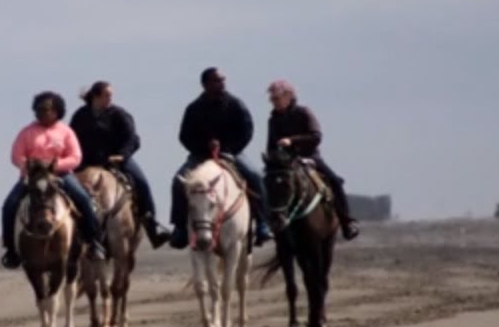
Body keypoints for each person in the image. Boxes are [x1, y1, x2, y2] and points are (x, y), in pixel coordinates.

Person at [0, 91, 108, 269]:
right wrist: (29, 165)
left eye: (45, 110)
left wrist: (55, 164)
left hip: (61, 175)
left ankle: (94, 242)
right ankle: (11, 249)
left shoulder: (66, 132)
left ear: (57, 111)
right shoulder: (27, 132)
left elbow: (76, 157)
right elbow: (16, 155)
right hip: (32, 177)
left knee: (84, 200)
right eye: (38, 110)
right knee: (9, 205)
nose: (41, 113)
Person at [168, 67, 272, 250]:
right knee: (178, 181)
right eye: (217, 81)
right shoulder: (193, 109)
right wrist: (204, 147)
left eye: (223, 80)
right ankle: (179, 228)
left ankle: (263, 223)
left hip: (232, 153)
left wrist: (228, 149)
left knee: (255, 176)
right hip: (200, 156)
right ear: (205, 84)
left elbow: (247, 130)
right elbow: (185, 136)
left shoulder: (235, 105)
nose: (222, 84)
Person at [69, 81, 172, 248]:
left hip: (116, 161)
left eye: (111, 95)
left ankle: (152, 226)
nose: (110, 99)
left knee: (141, 182)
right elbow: (71, 139)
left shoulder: (119, 115)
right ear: (95, 96)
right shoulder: (80, 116)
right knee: (67, 186)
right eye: (106, 95)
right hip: (86, 163)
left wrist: (122, 155)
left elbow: (132, 138)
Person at [266, 79, 360, 240]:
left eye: (276, 98)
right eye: (272, 99)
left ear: (288, 96)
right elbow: (270, 145)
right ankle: (269, 223)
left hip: (310, 158)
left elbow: (316, 136)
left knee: (335, 182)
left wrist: (292, 140)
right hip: (285, 162)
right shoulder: (273, 120)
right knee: (270, 184)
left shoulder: (303, 113)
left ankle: (346, 222)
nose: (273, 102)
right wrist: (273, 157)